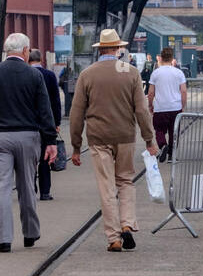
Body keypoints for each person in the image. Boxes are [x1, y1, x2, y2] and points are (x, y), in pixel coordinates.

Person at [69, 28, 158, 253]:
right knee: (126, 182)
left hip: (99, 139)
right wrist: (149, 139)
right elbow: (142, 109)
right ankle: (127, 223)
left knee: (106, 187)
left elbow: (77, 113)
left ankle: (114, 238)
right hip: (126, 137)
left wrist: (76, 146)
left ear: (100, 49)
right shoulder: (130, 72)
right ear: (119, 49)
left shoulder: (87, 74)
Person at [0, 33, 58, 251]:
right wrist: (50, 140)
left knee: (2, 187)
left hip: (1, 137)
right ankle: (30, 234)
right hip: (27, 136)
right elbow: (45, 110)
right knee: (26, 186)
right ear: (25, 51)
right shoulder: (34, 75)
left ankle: (3, 239)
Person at [28, 50, 62, 201]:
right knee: (45, 158)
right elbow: (55, 100)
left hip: (29, 123)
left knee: (29, 160)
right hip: (47, 123)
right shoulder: (49, 75)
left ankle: (31, 188)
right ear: (41, 59)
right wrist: (57, 122)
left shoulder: (25, 74)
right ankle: (45, 192)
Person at [147, 46, 187, 163]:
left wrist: (150, 105)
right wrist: (183, 105)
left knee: (159, 130)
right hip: (175, 107)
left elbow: (150, 92)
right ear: (172, 58)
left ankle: (162, 144)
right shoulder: (179, 73)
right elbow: (183, 91)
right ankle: (171, 156)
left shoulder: (155, 73)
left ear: (161, 57)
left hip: (160, 107)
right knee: (174, 132)